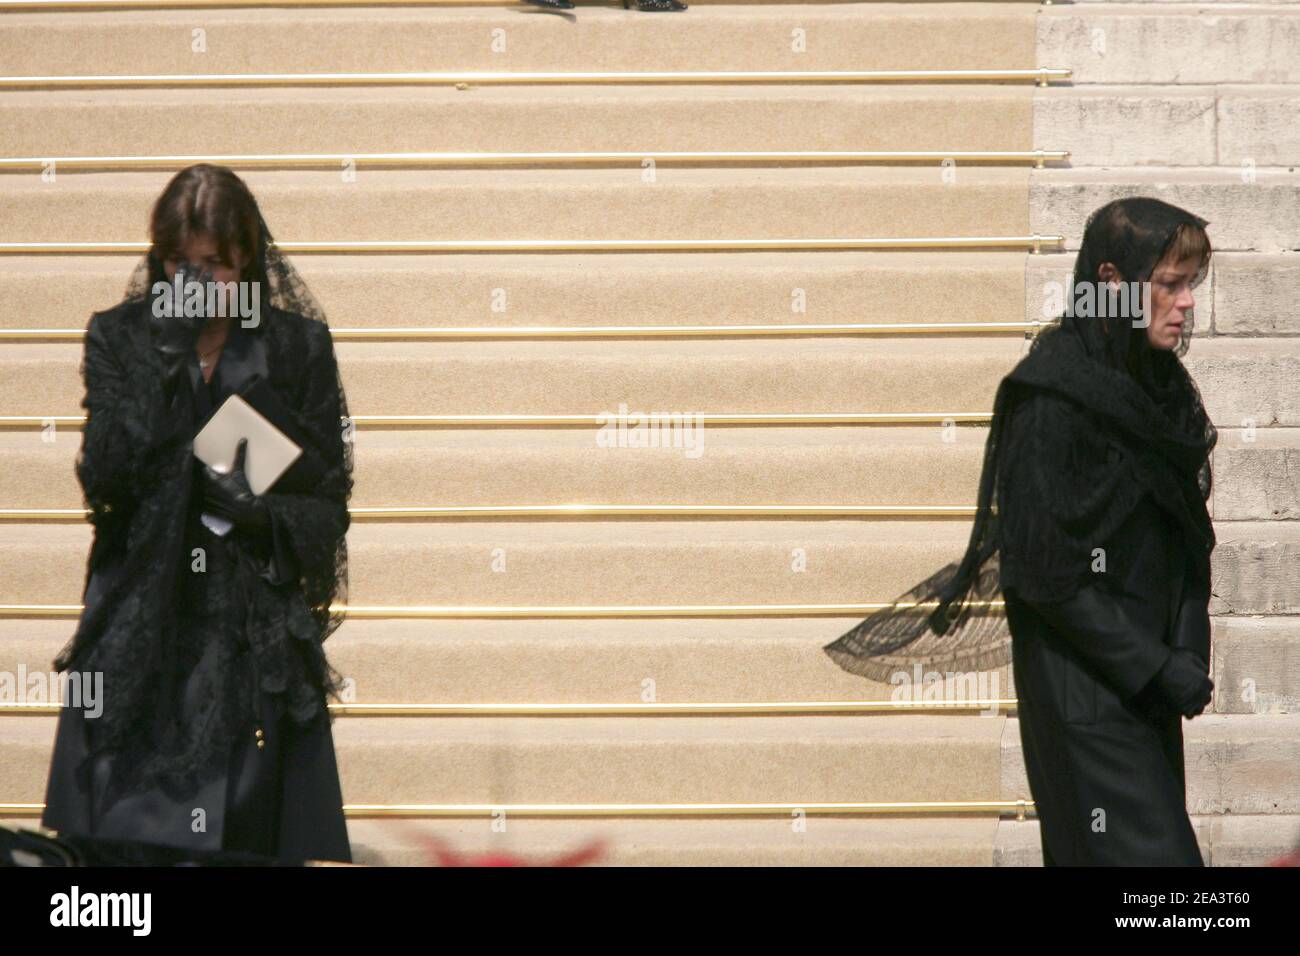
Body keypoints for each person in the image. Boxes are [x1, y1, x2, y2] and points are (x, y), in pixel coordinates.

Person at [823, 196, 1218, 865]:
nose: (1186, 303)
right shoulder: (1052, 398)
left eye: (1190, 284)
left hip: (1149, 689)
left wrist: (1186, 653)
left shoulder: (1160, 389)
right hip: (1082, 692)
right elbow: (1042, 572)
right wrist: (1155, 667)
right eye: (1169, 284)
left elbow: (1185, 540)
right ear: (1113, 284)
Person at [39, 163, 354, 863]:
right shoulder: (120, 336)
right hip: (142, 616)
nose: (195, 282)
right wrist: (163, 358)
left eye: (214, 265)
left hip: (247, 624)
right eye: (179, 263)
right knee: (124, 843)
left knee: (243, 834)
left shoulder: (295, 347)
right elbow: (104, 480)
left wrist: (262, 516)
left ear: (246, 263)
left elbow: (329, 503)